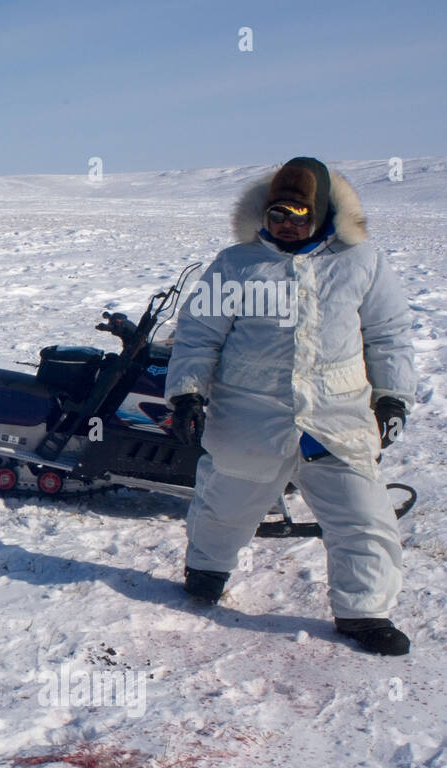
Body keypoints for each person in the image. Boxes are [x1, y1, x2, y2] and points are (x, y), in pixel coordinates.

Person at [164, 157, 416, 655]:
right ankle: (207, 570)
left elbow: (388, 336)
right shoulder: (236, 264)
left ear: (320, 213)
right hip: (249, 414)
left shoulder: (362, 261)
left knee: (364, 515)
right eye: (277, 213)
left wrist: (391, 397)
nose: (285, 224)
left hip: (335, 416)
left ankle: (363, 612)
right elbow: (198, 337)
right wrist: (187, 393)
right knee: (224, 507)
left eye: (298, 214)